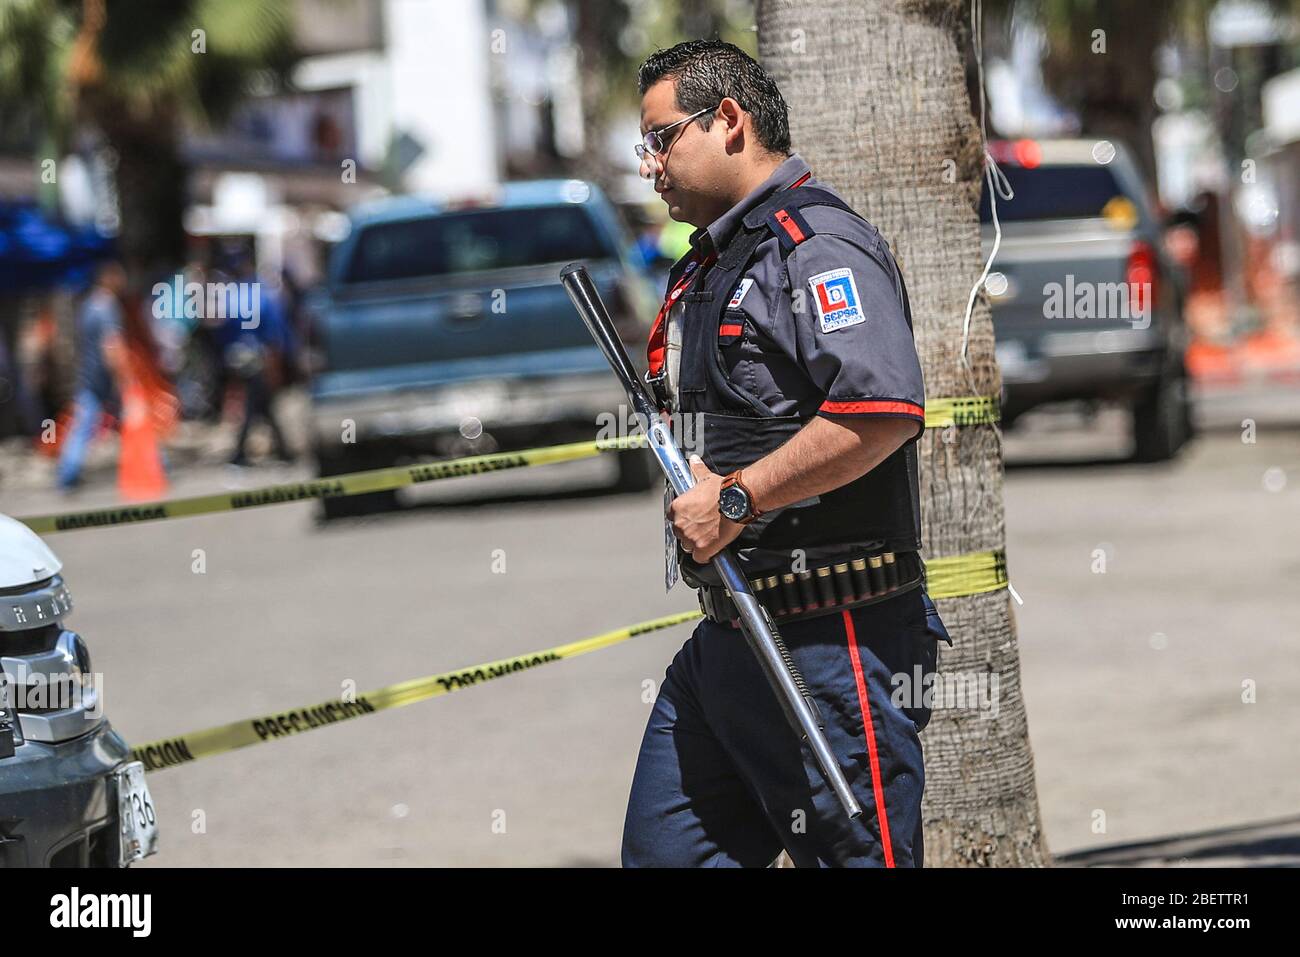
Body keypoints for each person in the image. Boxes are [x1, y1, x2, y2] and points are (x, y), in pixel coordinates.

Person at [621, 40, 953, 868]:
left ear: (727, 121)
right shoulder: (715, 259)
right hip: (732, 638)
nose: (649, 165)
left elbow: (880, 411)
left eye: (661, 139)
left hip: (833, 641)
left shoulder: (816, 244)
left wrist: (736, 499)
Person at [56, 261, 129, 491]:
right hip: (103, 379)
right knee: (133, 419)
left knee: (86, 423)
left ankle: (68, 471)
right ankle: (68, 472)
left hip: (89, 375)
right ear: (109, 278)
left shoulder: (87, 305)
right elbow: (112, 345)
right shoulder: (107, 307)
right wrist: (122, 377)